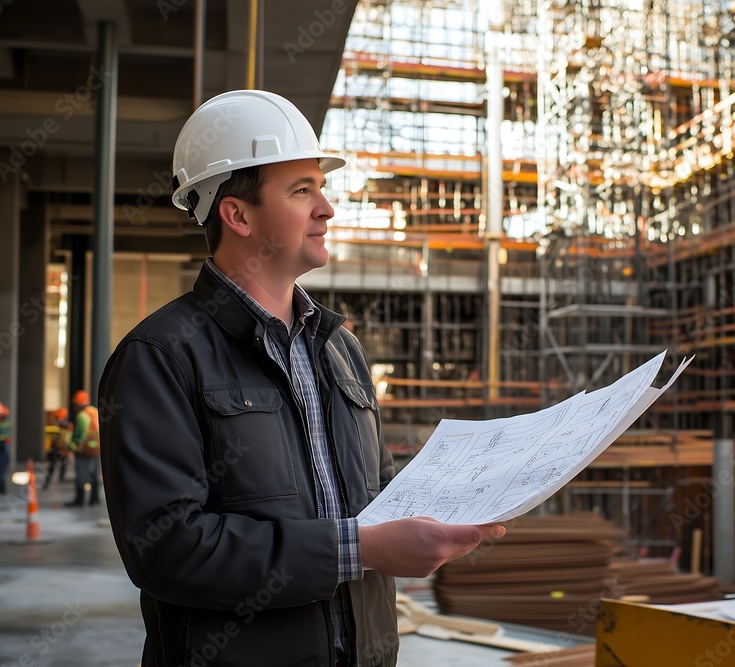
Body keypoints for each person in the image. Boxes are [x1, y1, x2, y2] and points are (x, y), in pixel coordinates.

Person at [99, 90, 505, 667]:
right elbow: (167, 549)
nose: (326, 209)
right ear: (236, 215)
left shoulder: (340, 348)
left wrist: (445, 509)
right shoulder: (161, 357)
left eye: (321, 187)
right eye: (301, 190)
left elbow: (377, 498)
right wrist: (361, 548)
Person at [65, 390, 100, 506]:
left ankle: (79, 500)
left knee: (81, 476)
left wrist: (71, 446)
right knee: (94, 475)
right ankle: (94, 499)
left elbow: (80, 434)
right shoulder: (94, 411)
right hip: (97, 449)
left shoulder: (82, 415)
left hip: (84, 451)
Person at [42, 407, 70, 490]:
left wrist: (66, 451)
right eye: (58, 417)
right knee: (51, 467)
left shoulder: (67, 427)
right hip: (55, 450)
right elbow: (51, 440)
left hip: (62, 450)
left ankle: (61, 479)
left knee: (63, 465)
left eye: (60, 417)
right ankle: (47, 483)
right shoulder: (55, 427)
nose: (59, 419)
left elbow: (67, 440)